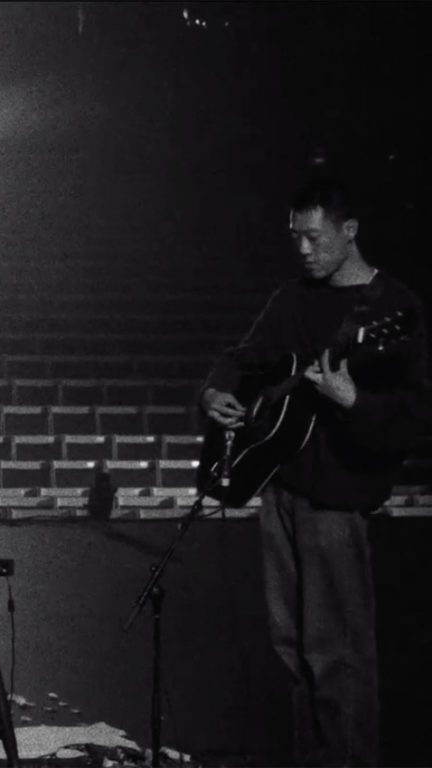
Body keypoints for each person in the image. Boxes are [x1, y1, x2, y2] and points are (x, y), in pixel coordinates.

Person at [200, 175, 429, 767]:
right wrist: (216, 391)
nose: (303, 249)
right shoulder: (292, 299)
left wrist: (353, 400)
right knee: (291, 646)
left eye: (314, 237)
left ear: (349, 231)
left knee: (337, 653)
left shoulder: (393, 308)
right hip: (279, 483)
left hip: (338, 497)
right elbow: (243, 357)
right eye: (295, 237)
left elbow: (413, 417)